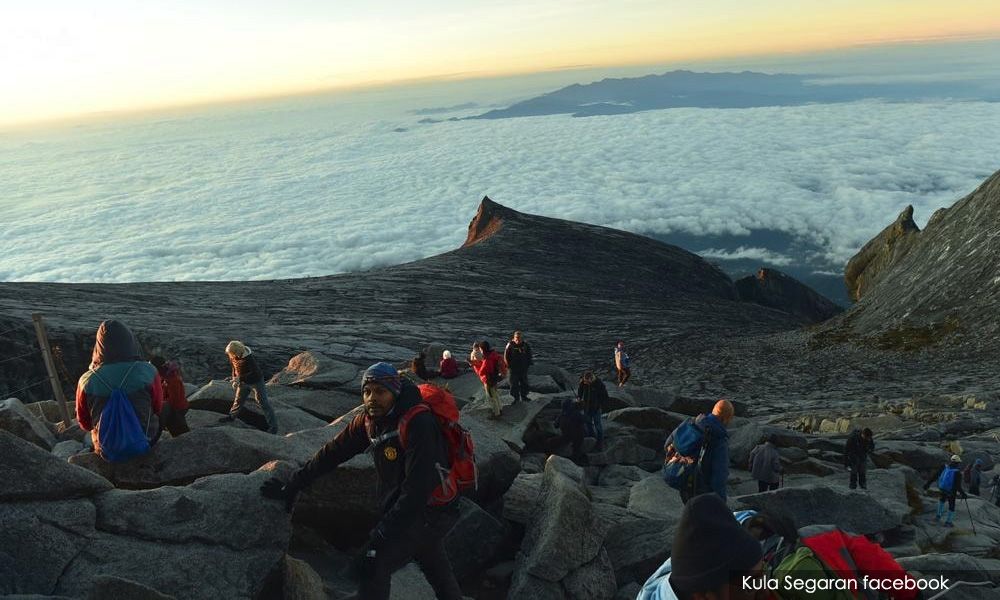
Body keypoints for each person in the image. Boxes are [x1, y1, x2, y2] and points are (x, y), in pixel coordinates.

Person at [259, 363, 462, 600]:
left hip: (431, 510)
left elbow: (417, 489)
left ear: (395, 393)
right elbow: (331, 453)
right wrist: (293, 485)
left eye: (380, 391)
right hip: (414, 509)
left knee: (374, 564)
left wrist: (381, 536)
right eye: (367, 391)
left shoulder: (418, 423)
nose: (372, 398)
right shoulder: (369, 422)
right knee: (434, 562)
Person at [637, 493, 767, 600]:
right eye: (750, 585)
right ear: (703, 596)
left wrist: (748, 522)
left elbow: (707, 526)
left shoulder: (686, 570)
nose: (765, 592)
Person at [75, 320, 162, 459]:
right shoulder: (148, 371)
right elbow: (157, 407)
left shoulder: (86, 380)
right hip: (145, 440)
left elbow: (84, 423)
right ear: (130, 341)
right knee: (168, 409)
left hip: (105, 448)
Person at [665, 399, 734, 503]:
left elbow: (668, 444)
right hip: (702, 490)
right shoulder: (719, 440)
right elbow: (719, 476)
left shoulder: (691, 422)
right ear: (725, 419)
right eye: (731, 418)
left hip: (683, 480)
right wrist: (721, 503)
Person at [224, 340, 278, 434]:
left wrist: (240, 378)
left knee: (262, 402)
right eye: (230, 354)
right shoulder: (233, 355)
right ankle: (231, 416)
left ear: (238, 350)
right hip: (243, 382)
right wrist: (235, 379)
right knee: (238, 400)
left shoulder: (249, 359)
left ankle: (273, 427)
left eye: (233, 353)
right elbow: (234, 367)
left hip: (256, 382)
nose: (231, 355)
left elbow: (254, 373)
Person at [150, 355, 190, 437]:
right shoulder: (165, 376)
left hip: (177, 408)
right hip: (175, 406)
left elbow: (175, 399)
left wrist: (160, 402)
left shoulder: (172, 379)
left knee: (180, 431)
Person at [923, 455, 967, 527]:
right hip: (951, 492)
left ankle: (938, 516)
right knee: (951, 505)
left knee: (942, 500)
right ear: (958, 463)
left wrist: (928, 484)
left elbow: (935, 476)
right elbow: (957, 486)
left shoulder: (944, 467)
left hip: (943, 488)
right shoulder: (957, 473)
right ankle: (948, 522)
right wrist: (963, 494)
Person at [469, 341, 504, 419]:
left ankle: (496, 413)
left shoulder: (487, 359)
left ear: (483, 349)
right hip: (495, 378)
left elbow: (481, 372)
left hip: (488, 380)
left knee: (490, 397)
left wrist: (474, 365)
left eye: (480, 349)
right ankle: (500, 409)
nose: (480, 350)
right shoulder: (493, 354)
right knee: (495, 394)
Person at [576, 371, 609, 452]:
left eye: (587, 382)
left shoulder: (599, 384)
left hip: (596, 409)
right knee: (588, 424)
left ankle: (599, 444)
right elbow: (580, 390)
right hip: (586, 407)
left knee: (598, 426)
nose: (586, 383)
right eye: (585, 381)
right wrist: (579, 397)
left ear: (591, 379)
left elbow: (605, 397)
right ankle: (592, 440)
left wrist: (599, 405)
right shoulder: (583, 382)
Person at [551, 396, 588, 461]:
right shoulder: (577, 413)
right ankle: (576, 459)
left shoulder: (562, 414)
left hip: (566, 436)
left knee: (552, 442)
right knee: (577, 446)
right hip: (578, 436)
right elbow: (585, 420)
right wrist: (581, 407)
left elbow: (555, 425)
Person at [503, 331, 533, 403]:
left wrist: (528, 364)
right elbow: (506, 356)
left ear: (522, 339)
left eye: (519, 338)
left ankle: (524, 396)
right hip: (513, 368)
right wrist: (508, 365)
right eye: (516, 338)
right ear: (514, 338)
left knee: (524, 382)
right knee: (513, 384)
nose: (518, 340)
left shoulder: (526, 345)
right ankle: (515, 398)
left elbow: (529, 355)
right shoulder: (510, 345)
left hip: (523, 368)